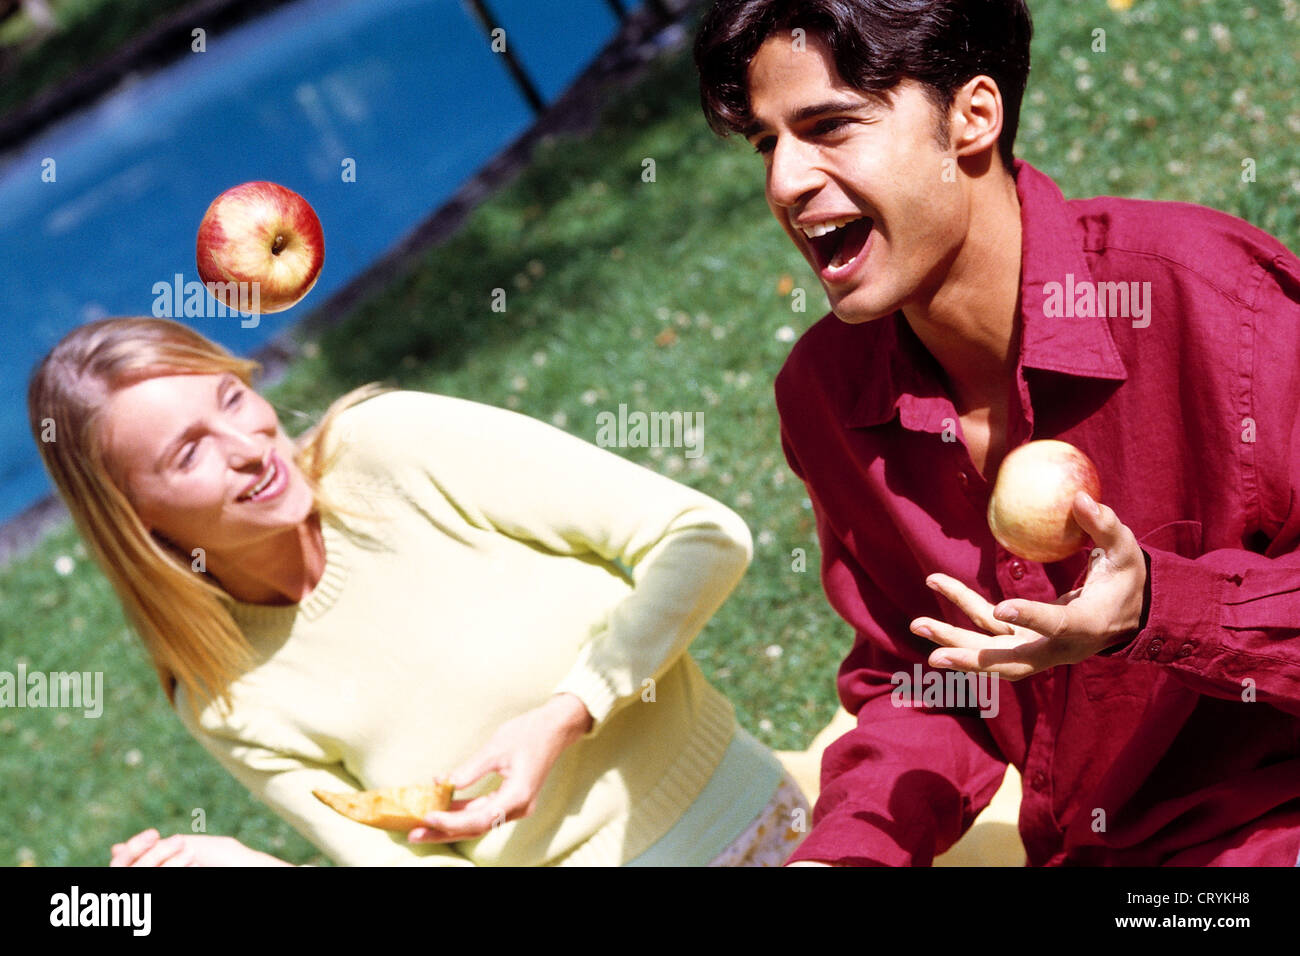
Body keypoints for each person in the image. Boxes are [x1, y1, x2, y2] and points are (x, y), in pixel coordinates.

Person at [694, 0, 1300, 866]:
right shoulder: (825, 398)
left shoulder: (1211, 302)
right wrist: (848, 852)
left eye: (829, 127)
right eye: (767, 143)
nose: (785, 182)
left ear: (974, 117)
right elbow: (927, 680)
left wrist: (1158, 609)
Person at [28, 316, 808, 866]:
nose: (248, 448)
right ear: (138, 521)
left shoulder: (391, 450)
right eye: (189, 453)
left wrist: (565, 715)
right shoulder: (225, 697)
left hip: (766, 825)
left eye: (231, 399)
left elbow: (702, 536)